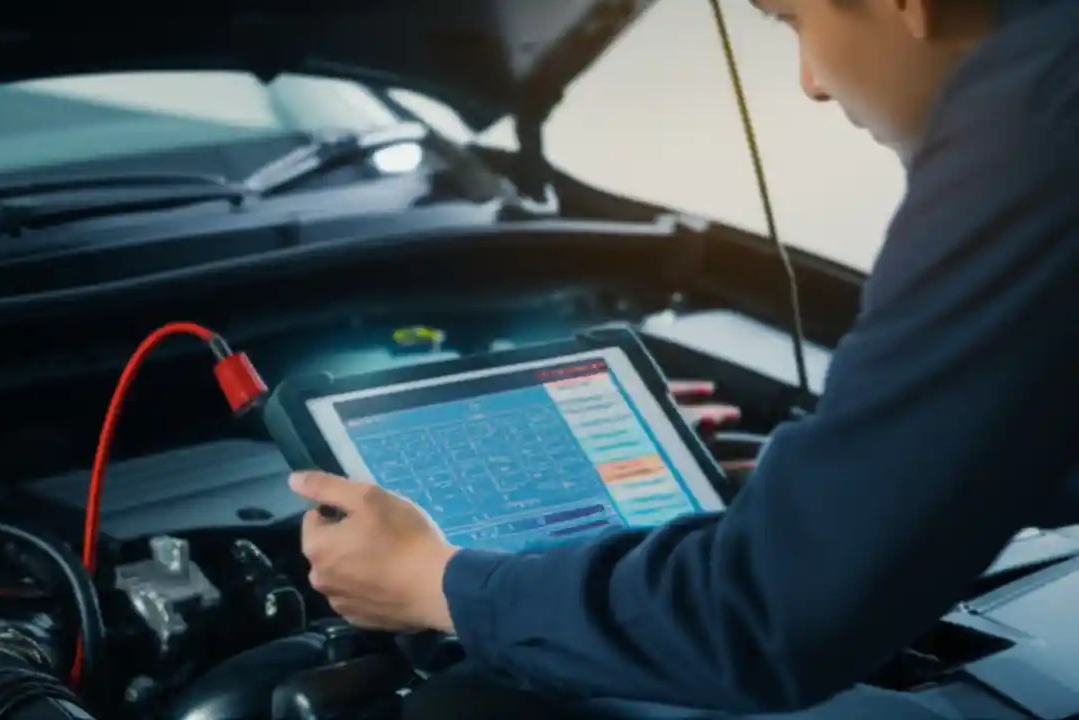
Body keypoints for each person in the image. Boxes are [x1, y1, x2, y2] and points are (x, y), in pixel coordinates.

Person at [291, 0, 1079, 716]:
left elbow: (761, 619)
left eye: (790, 20)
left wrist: (439, 584)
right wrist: (833, 485)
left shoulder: (1029, 135)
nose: (810, 82)